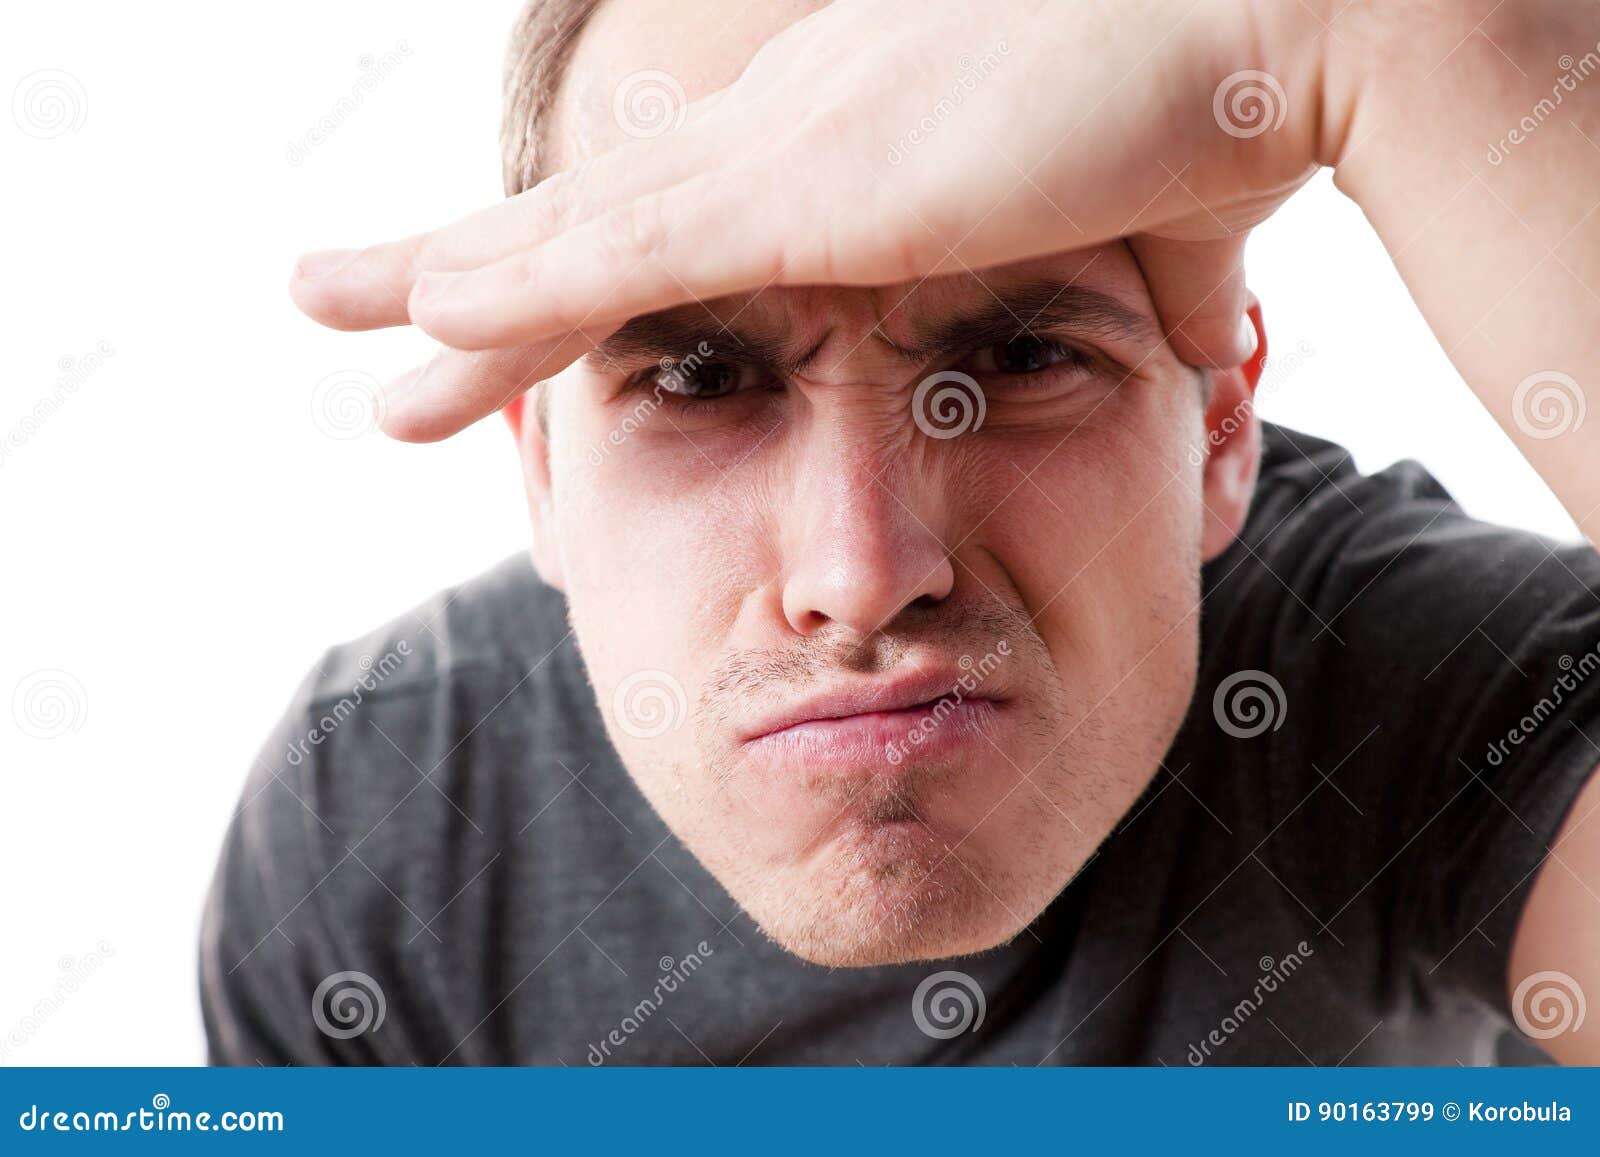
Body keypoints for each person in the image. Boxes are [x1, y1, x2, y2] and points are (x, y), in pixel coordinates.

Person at [203, 0, 1600, 1065]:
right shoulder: (380, 819)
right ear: (545, 472)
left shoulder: (1404, 691)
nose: (862, 572)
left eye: (1019, 358)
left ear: (1222, 433)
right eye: (701, 378)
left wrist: (1377, 37)